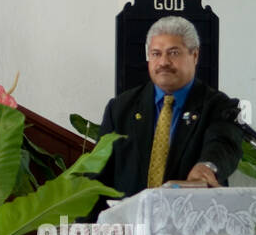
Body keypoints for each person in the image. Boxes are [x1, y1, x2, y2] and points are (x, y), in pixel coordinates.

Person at [95, 15, 242, 200]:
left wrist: (208, 166)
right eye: (156, 54)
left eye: (173, 53)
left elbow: (223, 144)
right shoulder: (120, 108)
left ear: (194, 55)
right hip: (130, 223)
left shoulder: (219, 106)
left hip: (190, 222)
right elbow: (97, 175)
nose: (163, 62)